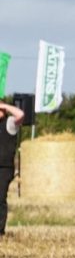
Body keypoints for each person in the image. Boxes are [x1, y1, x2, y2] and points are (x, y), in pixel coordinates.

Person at [0, 96, 24, 236]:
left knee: (0, 197)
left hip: (4, 168)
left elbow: (21, 114)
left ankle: (0, 230)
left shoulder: (9, 123)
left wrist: (5, 106)